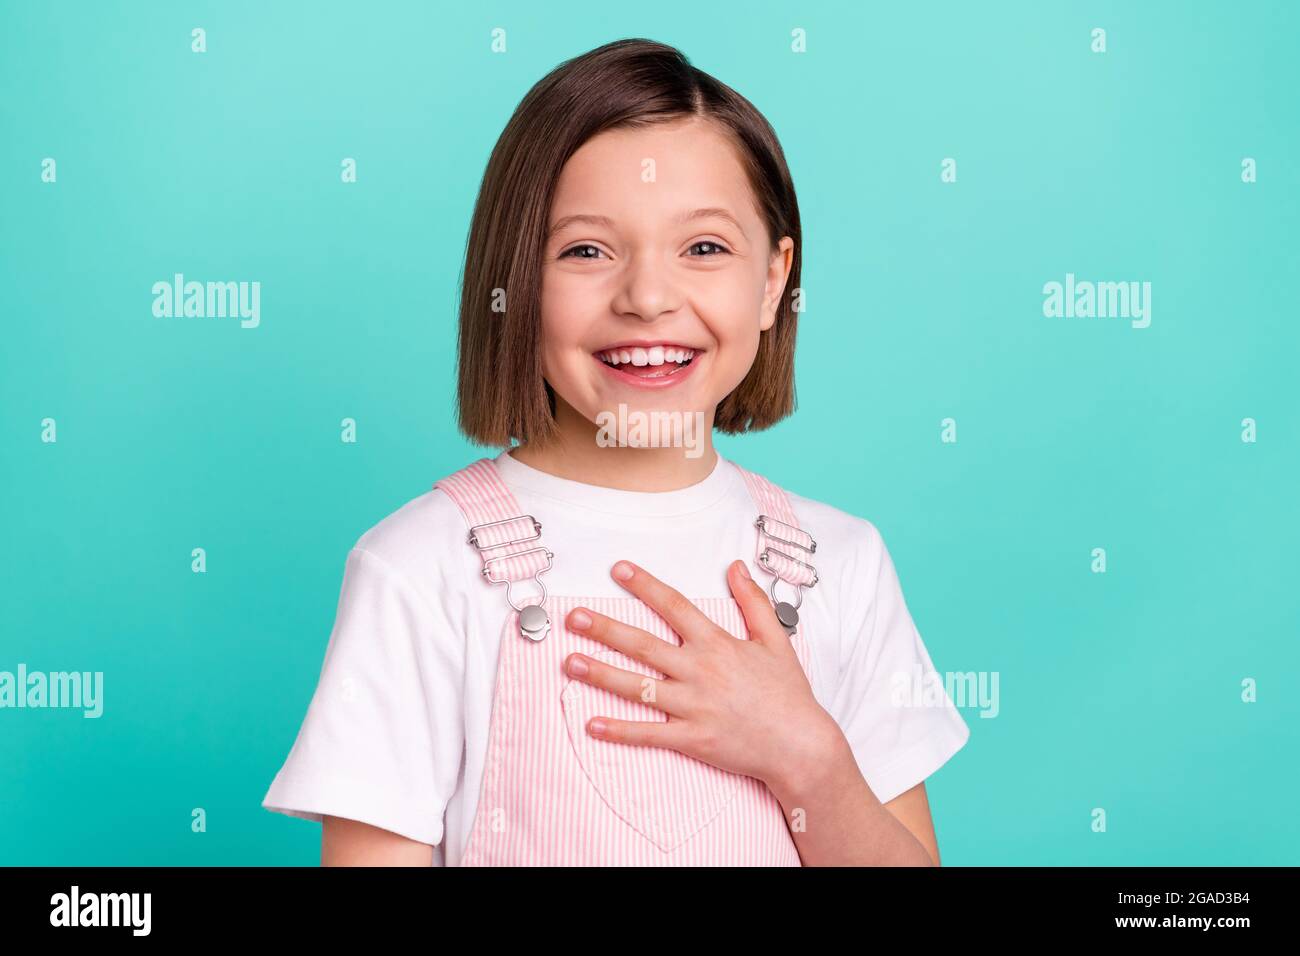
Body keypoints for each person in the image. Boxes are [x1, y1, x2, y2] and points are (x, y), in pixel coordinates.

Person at [261, 37, 970, 866]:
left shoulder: (842, 564)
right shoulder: (419, 569)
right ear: (516, 282)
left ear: (775, 280)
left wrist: (807, 758)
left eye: (704, 247)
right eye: (586, 251)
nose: (647, 297)